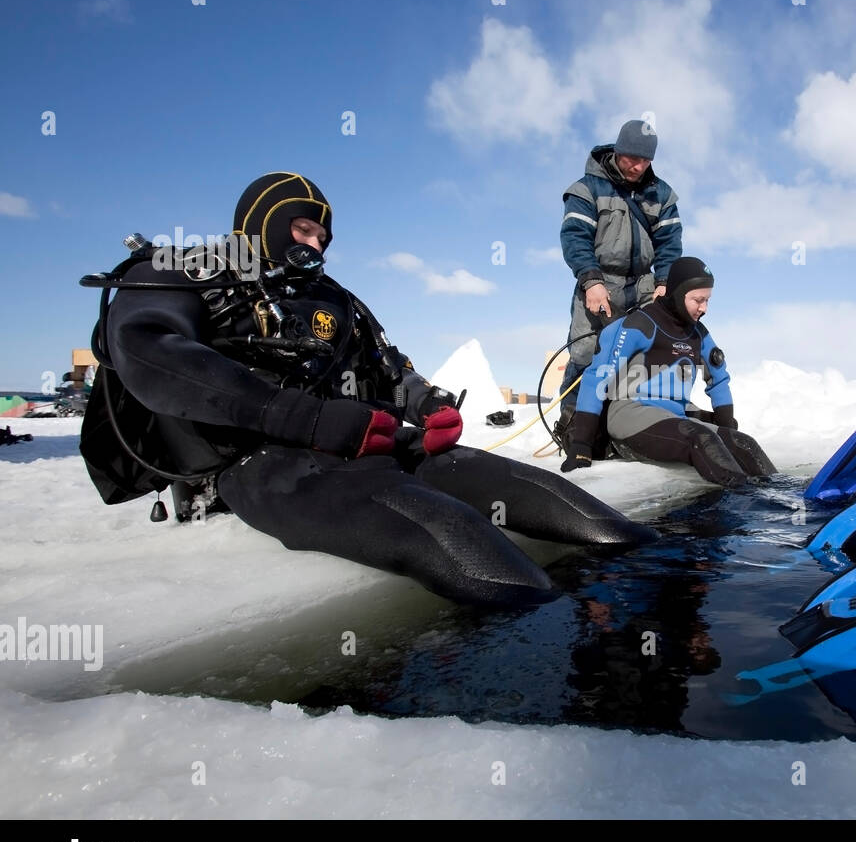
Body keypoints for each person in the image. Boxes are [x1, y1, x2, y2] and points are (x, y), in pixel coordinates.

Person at [80, 172, 656, 607]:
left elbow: (388, 369)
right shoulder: (185, 272)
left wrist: (428, 404)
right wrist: (303, 419)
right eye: (303, 229)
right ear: (260, 225)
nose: (317, 244)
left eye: (324, 234)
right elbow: (150, 353)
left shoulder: (336, 301)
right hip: (258, 463)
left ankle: (650, 579)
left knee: (564, 505)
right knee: (459, 540)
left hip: (362, 442)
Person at [559, 257, 775, 487]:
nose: (704, 308)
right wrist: (581, 444)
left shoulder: (698, 334)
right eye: (698, 300)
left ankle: (781, 494)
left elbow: (719, 379)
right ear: (678, 293)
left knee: (745, 444)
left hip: (674, 418)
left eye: (707, 300)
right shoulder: (641, 324)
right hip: (631, 415)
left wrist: (728, 434)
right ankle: (745, 506)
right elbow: (597, 378)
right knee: (701, 438)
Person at [554, 120, 683, 442]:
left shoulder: (662, 194)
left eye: (645, 160)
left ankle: (627, 423)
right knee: (585, 354)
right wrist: (590, 280)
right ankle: (572, 426)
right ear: (617, 150)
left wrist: (664, 282)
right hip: (599, 280)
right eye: (631, 158)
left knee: (643, 355)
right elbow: (575, 238)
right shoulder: (586, 189)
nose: (637, 166)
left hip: (643, 285)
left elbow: (670, 244)